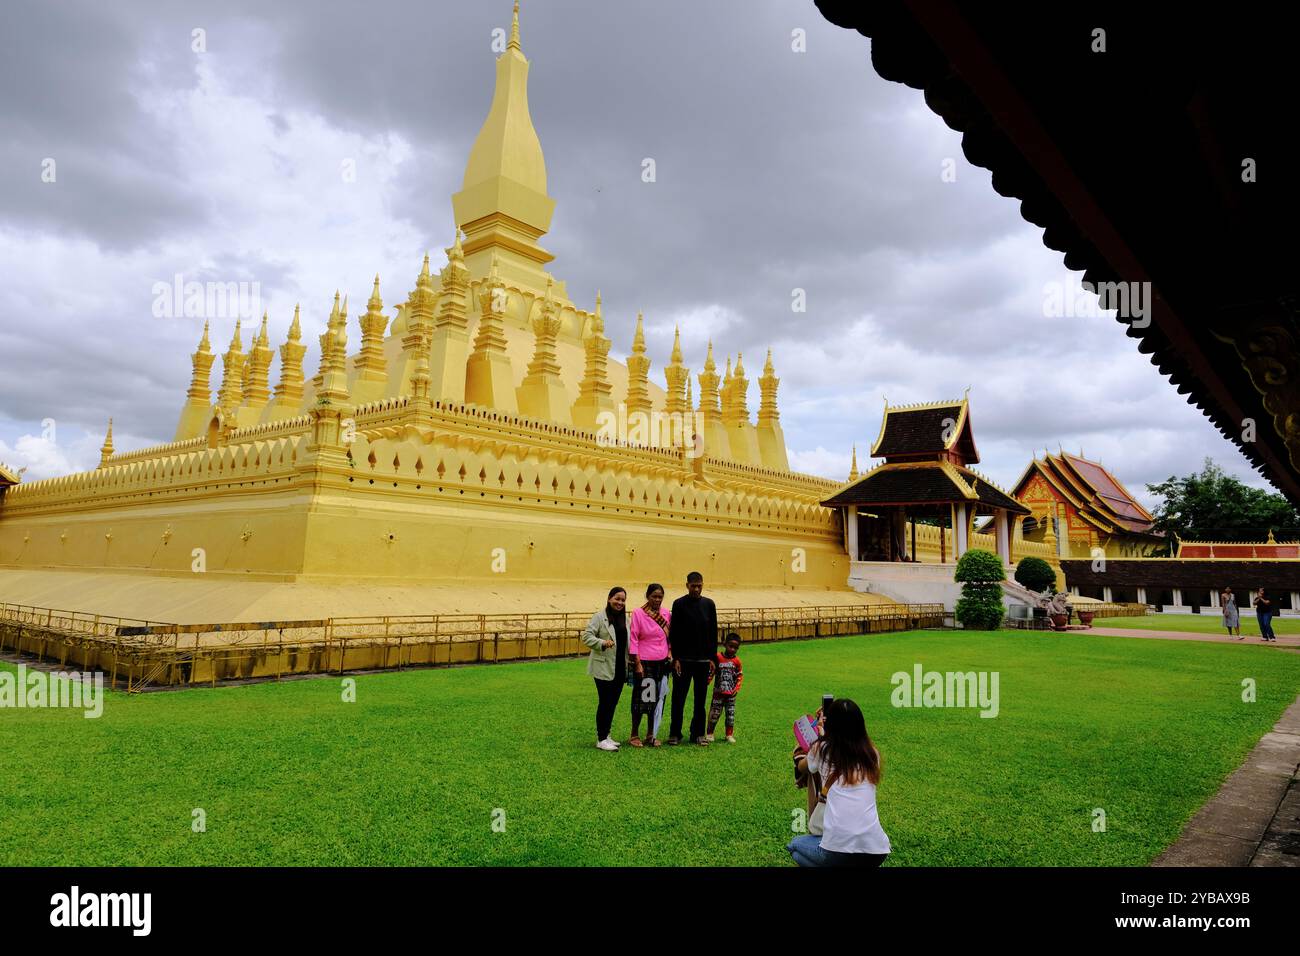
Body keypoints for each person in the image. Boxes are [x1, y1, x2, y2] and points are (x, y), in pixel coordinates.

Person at [787, 699, 890, 867]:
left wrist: (814, 738)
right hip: (877, 851)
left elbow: (802, 766)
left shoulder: (822, 749)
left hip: (836, 851)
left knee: (795, 846)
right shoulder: (873, 754)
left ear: (831, 725)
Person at [667, 571, 718, 745]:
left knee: (700, 700)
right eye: (693, 586)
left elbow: (713, 632)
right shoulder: (679, 604)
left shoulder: (709, 604)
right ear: (687, 585)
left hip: (703, 661)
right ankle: (675, 733)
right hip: (683, 661)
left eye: (699, 586)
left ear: (702, 585)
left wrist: (712, 659)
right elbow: (674, 633)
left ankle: (697, 733)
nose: (696, 589)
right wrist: (676, 659)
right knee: (678, 698)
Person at [582, 586, 630, 750]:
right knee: (605, 702)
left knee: (613, 703)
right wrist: (602, 643)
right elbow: (586, 636)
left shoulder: (625, 619)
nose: (620, 602)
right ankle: (601, 738)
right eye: (617, 598)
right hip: (603, 668)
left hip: (620, 668)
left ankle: (606, 734)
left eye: (623, 600)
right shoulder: (599, 617)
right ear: (609, 598)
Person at [628, 583, 672, 747]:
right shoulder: (638, 613)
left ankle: (650, 734)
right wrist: (637, 663)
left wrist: (669, 653)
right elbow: (634, 638)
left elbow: (670, 637)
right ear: (648, 596)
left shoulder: (666, 613)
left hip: (662, 663)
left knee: (657, 699)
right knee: (642, 699)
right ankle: (634, 735)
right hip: (645, 663)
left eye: (660, 596)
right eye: (654, 596)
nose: (657, 599)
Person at [705, 633, 744, 743]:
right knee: (714, 714)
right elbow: (712, 671)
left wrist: (736, 689)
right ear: (724, 644)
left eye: (735, 648)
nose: (732, 649)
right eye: (730, 646)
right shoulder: (718, 657)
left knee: (730, 716)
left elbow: (739, 676)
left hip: (731, 695)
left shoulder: (737, 661)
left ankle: (729, 734)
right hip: (718, 693)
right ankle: (710, 733)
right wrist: (707, 681)